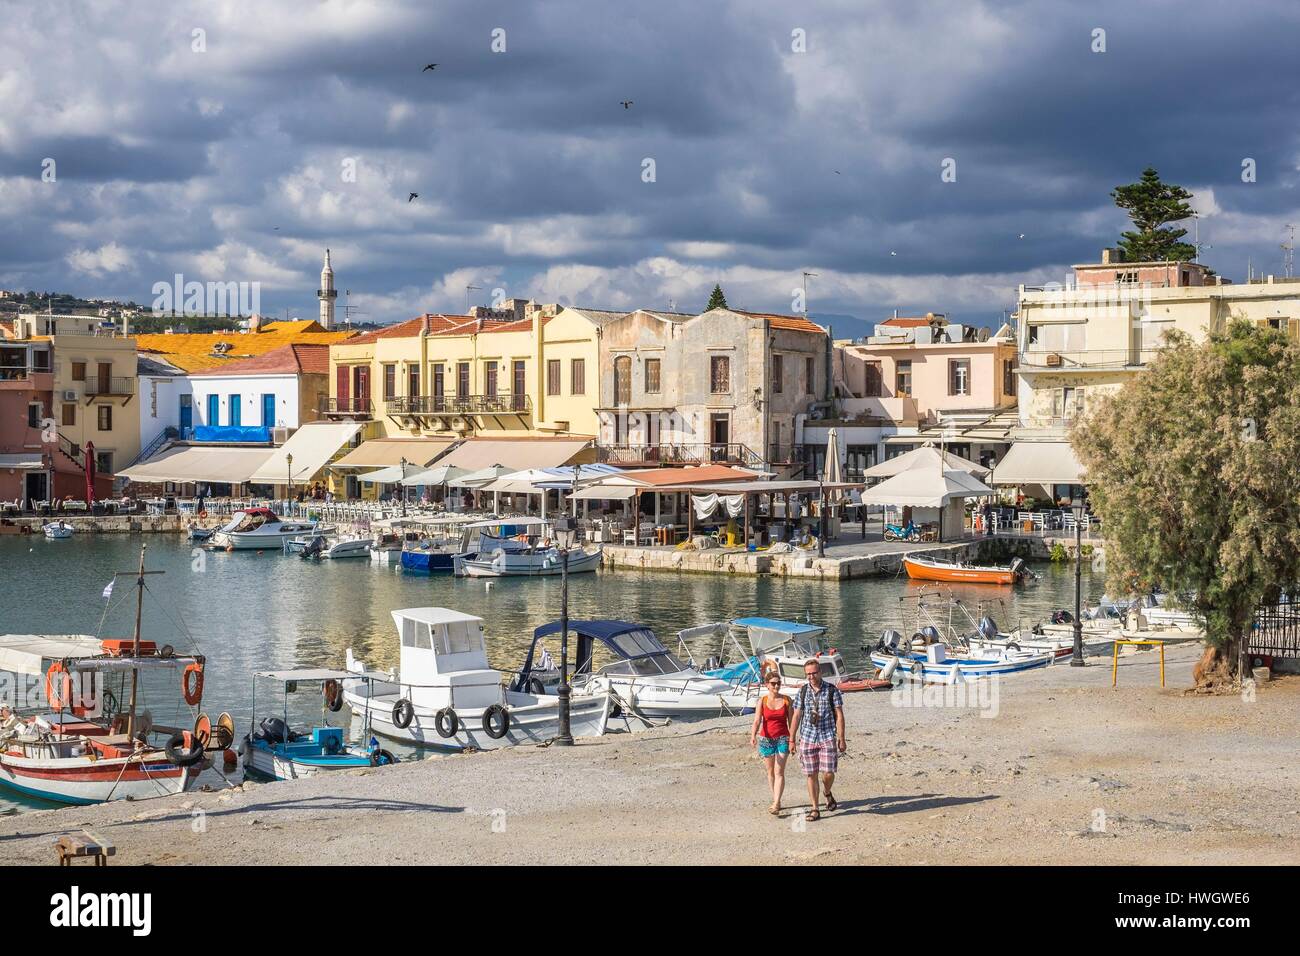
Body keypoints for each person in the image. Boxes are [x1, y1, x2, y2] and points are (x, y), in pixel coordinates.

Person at [789, 659, 845, 820]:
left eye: (814, 673)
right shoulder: (803, 691)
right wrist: (792, 739)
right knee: (811, 774)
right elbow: (797, 715)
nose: (811, 676)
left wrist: (841, 738)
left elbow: (839, 716)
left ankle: (827, 792)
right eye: (808, 674)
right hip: (807, 737)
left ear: (820, 672)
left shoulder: (832, 690)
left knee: (828, 772)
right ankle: (815, 808)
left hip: (827, 735)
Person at [749, 673, 792, 815]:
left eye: (778, 683)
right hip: (766, 739)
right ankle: (776, 799)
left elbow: (792, 722)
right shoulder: (762, 701)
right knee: (770, 771)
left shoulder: (786, 700)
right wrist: (753, 735)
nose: (776, 686)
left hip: (782, 738)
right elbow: (757, 720)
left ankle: (776, 802)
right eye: (773, 683)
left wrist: (793, 739)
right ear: (767, 684)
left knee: (779, 771)